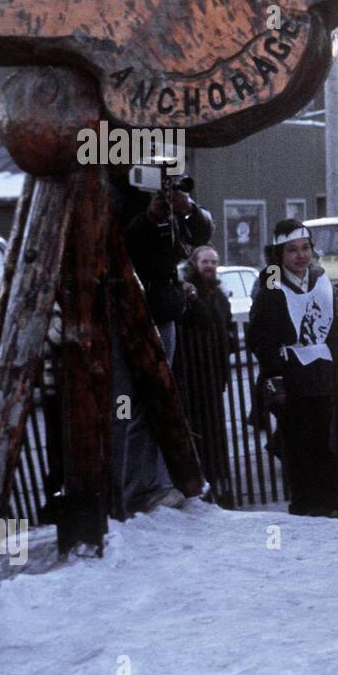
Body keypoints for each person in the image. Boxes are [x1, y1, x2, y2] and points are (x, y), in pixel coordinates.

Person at [112, 179, 213, 516]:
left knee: (155, 400)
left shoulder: (166, 199)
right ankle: (124, 489)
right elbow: (121, 246)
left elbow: (200, 235)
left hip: (160, 309)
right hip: (123, 312)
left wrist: (187, 209)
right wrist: (151, 217)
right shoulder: (111, 192)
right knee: (124, 404)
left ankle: (148, 485)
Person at [248, 219, 338, 518]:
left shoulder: (321, 280)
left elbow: (335, 328)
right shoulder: (271, 286)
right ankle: (305, 501)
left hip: (320, 370)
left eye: (305, 248)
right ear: (279, 254)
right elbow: (259, 336)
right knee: (297, 441)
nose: (301, 256)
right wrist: (275, 373)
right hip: (290, 371)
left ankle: (331, 499)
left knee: (323, 440)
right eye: (292, 250)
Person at [175, 245, 234, 499]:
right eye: (205, 262)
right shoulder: (185, 293)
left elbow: (226, 330)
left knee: (215, 433)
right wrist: (193, 298)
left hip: (213, 376)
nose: (210, 266)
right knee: (197, 433)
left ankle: (219, 485)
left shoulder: (219, 296)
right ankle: (202, 486)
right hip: (192, 375)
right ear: (194, 263)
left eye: (213, 262)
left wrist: (223, 370)